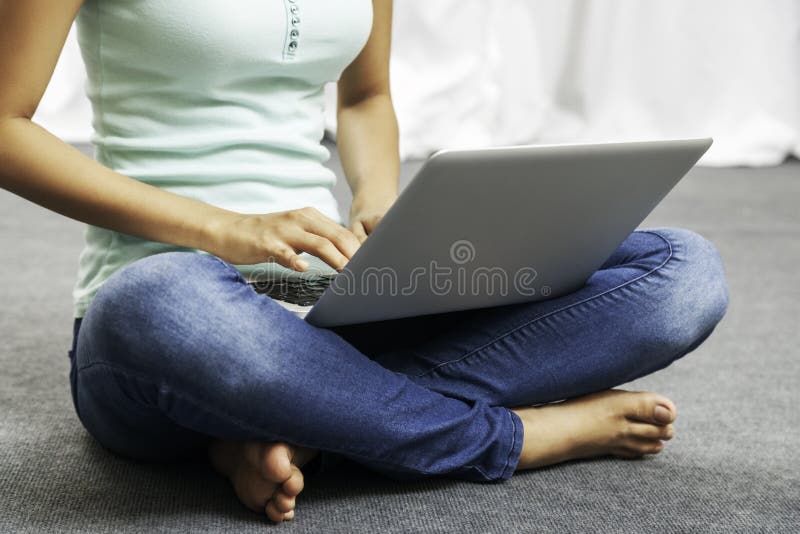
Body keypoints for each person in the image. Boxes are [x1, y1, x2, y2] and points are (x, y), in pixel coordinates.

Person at [0, 0, 728, 524]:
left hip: (326, 296)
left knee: (681, 272)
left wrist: (380, 208)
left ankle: (299, 429)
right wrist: (225, 229)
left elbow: (367, 96)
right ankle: (510, 437)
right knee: (155, 298)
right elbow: (6, 126)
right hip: (177, 315)